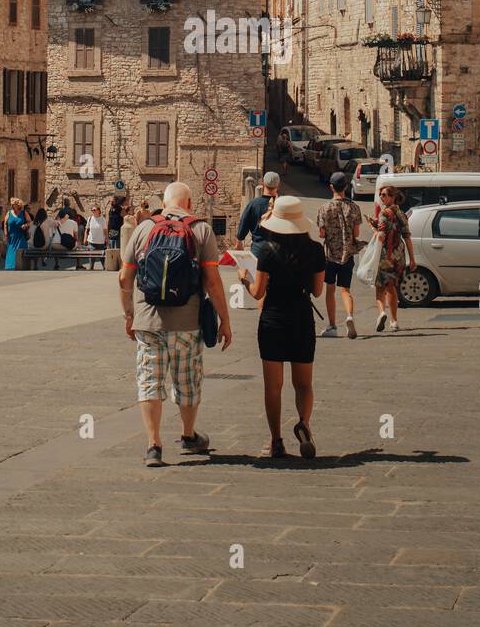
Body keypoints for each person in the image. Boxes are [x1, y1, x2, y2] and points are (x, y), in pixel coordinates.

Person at [119, 181, 231, 468]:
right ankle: (188, 435)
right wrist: (224, 320)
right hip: (187, 320)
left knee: (149, 381)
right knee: (187, 381)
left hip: (148, 319)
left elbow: (124, 278)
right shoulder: (200, 229)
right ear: (189, 203)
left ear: (164, 202)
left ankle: (153, 445)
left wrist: (129, 314)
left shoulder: (144, 228)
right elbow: (213, 282)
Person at [240, 195, 325, 459]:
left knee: (273, 386)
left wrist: (245, 279)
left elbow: (257, 292)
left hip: (274, 319)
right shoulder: (315, 250)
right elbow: (318, 291)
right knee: (303, 384)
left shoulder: (267, 250)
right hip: (301, 317)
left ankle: (276, 440)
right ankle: (304, 423)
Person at [317, 171, 363, 339]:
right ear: (345, 187)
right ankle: (349, 315)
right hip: (347, 254)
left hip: (330, 254)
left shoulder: (324, 208)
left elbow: (322, 234)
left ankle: (332, 325)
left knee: (330, 290)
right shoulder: (354, 207)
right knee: (345, 289)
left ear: (331, 187)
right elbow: (356, 233)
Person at [370, 185, 416, 333]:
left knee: (380, 288)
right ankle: (394, 321)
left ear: (392, 197)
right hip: (399, 255)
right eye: (380, 195)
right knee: (392, 287)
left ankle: (382, 312)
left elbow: (381, 235)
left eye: (384, 195)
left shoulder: (384, 213)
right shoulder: (401, 213)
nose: (381, 198)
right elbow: (407, 237)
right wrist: (412, 259)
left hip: (386, 255)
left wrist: (374, 229)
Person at [236, 172, 281, 259]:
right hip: (278, 253)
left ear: (263, 184)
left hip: (258, 250)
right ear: (278, 186)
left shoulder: (254, 204)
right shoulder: (282, 205)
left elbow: (244, 224)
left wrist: (239, 242)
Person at [3, 197, 30, 270]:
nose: (11, 206)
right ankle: (10, 267)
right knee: (11, 251)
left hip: (21, 236)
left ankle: (21, 267)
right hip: (11, 237)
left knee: (20, 251)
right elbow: (5, 223)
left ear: (18, 205)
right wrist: (6, 234)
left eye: (13, 204)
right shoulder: (9, 213)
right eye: (11, 204)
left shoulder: (24, 212)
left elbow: (29, 221)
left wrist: (25, 225)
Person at [84, 204, 107, 270]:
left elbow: (105, 230)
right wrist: (85, 238)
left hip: (100, 241)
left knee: (102, 258)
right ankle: (90, 270)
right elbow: (87, 229)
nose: (93, 211)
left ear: (98, 210)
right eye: (92, 210)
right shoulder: (90, 218)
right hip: (91, 241)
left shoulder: (102, 219)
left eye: (94, 210)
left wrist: (107, 240)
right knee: (91, 258)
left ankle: (105, 270)